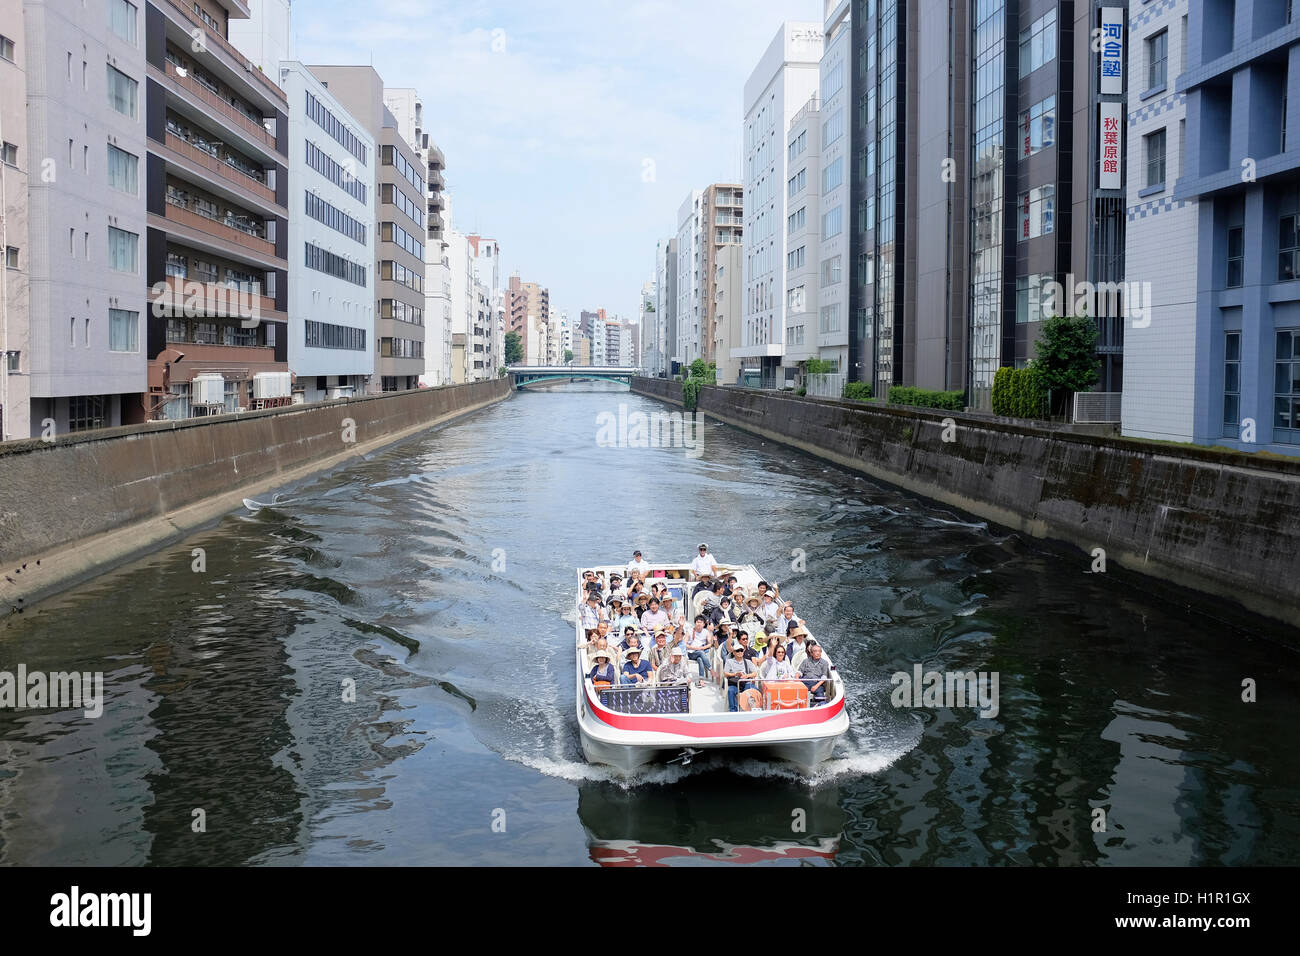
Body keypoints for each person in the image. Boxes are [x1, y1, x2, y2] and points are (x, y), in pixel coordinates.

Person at [723, 640, 758, 712]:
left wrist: (746, 675)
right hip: (735, 683)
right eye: (737, 651)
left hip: (745, 682)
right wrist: (735, 674)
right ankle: (733, 711)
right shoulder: (730, 661)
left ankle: (751, 709)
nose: (740, 652)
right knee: (731, 691)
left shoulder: (748, 662)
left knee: (754, 690)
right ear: (734, 652)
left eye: (741, 650)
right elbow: (725, 673)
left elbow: (755, 673)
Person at [684, 617, 714, 685]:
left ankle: (701, 679)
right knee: (701, 653)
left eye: (701, 622)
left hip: (700, 651)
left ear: (703, 624)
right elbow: (684, 644)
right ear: (695, 623)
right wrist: (694, 648)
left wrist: (702, 648)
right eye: (697, 622)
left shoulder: (706, 631)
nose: (699, 624)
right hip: (691, 653)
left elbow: (710, 644)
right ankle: (710, 669)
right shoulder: (690, 631)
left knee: (700, 659)